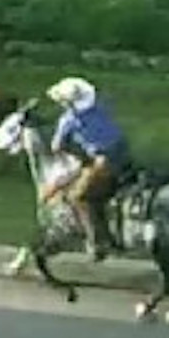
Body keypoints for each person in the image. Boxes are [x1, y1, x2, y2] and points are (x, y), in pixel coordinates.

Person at [43, 76, 134, 260]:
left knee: (78, 197)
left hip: (103, 162)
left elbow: (56, 147)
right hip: (122, 153)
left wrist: (77, 152)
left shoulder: (68, 119)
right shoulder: (101, 106)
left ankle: (96, 242)